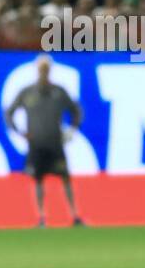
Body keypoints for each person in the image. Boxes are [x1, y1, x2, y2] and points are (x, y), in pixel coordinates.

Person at [5, 54, 85, 227]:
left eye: (46, 68)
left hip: (55, 142)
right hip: (37, 144)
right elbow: (9, 112)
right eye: (42, 68)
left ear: (50, 70)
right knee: (38, 179)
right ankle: (41, 217)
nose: (44, 71)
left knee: (65, 177)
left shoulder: (58, 91)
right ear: (37, 70)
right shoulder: (27, 93)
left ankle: (74, 215)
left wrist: (72, 129)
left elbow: (76, 110)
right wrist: (19, 132)